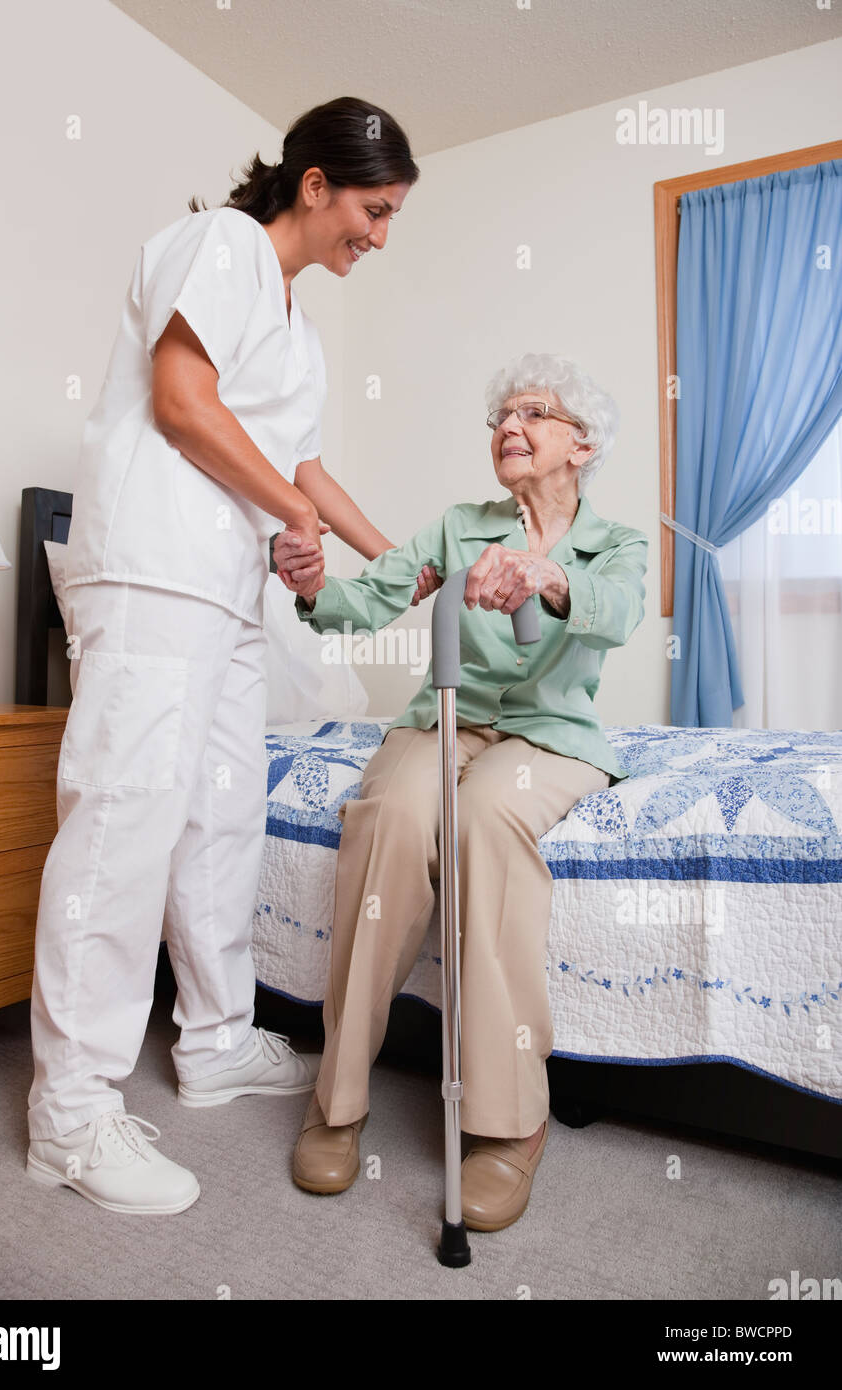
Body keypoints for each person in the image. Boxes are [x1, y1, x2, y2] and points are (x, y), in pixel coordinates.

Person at [26, 96, 441, 1216]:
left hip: (227, 597)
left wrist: (398, 559)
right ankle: (69, 1111)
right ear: (314, 183)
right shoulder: (221, 246)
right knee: (123, 823)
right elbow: (181, 400)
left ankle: (213, 1042)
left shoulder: (297, 327)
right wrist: (286, 524)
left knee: (221, 823)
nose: (379, 235)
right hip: (154, 571)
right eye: (373, 208)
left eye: (392, 215)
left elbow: (299, 468)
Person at [275, 353, 649, 1232]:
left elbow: (620, 609)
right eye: (499, 417)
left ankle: (509, 1125)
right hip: (442, 720)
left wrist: (547, 576)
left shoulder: (615, 543)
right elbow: (367, 599)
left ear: (580, 443)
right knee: (395, 817)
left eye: (532, 414)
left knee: (483, 817)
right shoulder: (458, 526)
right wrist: (310, 584)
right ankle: (337, 1100)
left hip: (548, 739)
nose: (508, 428)